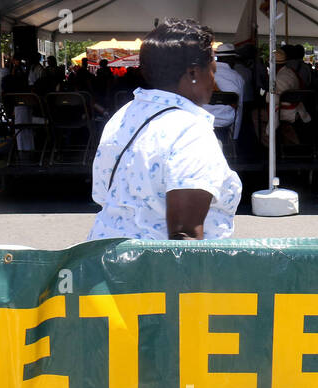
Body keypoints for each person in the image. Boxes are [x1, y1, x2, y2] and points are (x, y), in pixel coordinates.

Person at [88, 18, 241, 241]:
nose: (213, 81)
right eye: (212, 71)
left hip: (106, 259)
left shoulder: (123, 115)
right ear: (193, 74)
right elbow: (184, 235)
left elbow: (104, 195)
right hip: (153, 270)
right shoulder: (190, 131)